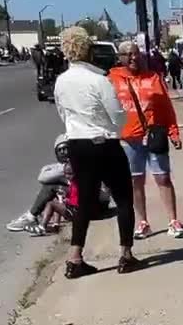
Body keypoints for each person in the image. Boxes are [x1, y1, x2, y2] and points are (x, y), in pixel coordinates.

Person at [52, 27, 142, 278]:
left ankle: (75, 257)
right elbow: (117, 115)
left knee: (84, 201)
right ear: (88, 50)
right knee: (123, 198)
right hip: (103, 143)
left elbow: (63, 113)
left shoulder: (61, 81)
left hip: (77, 143)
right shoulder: (99, 80)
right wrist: (116, 129)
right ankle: (126, 255)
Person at [109, 41, 183, 239]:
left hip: (154, 135)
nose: (133, 58)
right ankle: (143, 223)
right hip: (128, 139)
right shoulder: (112, 79)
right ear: (120, 57)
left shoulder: (153, 78)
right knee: (136, 181)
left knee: (163, 178)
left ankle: (173, 221)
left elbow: (166, 107)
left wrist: (173, 132)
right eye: (128, 54)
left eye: (136, 53)